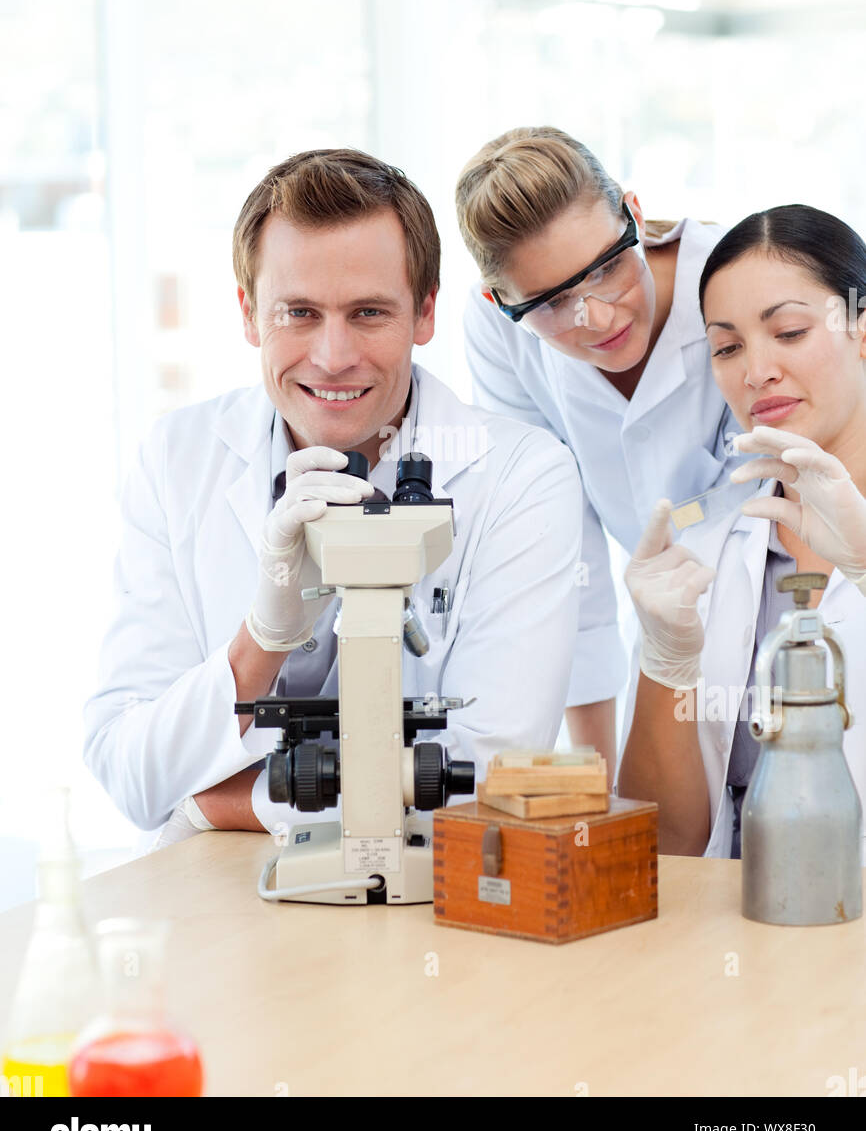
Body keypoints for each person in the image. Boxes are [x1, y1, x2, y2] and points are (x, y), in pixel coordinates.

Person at [84, 148, 583, 846]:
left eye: (370, 312)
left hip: (424, 913)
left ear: (426, 312)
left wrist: (222, 803)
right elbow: (131, 773)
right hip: (214, 914)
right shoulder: (178, 460)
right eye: (299, 312)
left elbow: (486, 781)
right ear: (249, 315)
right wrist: (264, 637)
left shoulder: (522, 478)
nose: (333, 355)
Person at [456, 125, 739, 771]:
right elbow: (564, 547)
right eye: (554, 302)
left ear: (634, 214)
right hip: (665, 639)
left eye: (609, 267)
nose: (600, 317)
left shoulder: (731, 276)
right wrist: (596, 786)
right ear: (500, 304)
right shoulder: (502, 337)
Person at [618, 204, 866, 858]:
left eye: (788, 331)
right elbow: (663, 843)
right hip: (746, 937)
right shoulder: (702, 551)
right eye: (727, 347)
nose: (755, 371)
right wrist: (665, 660)